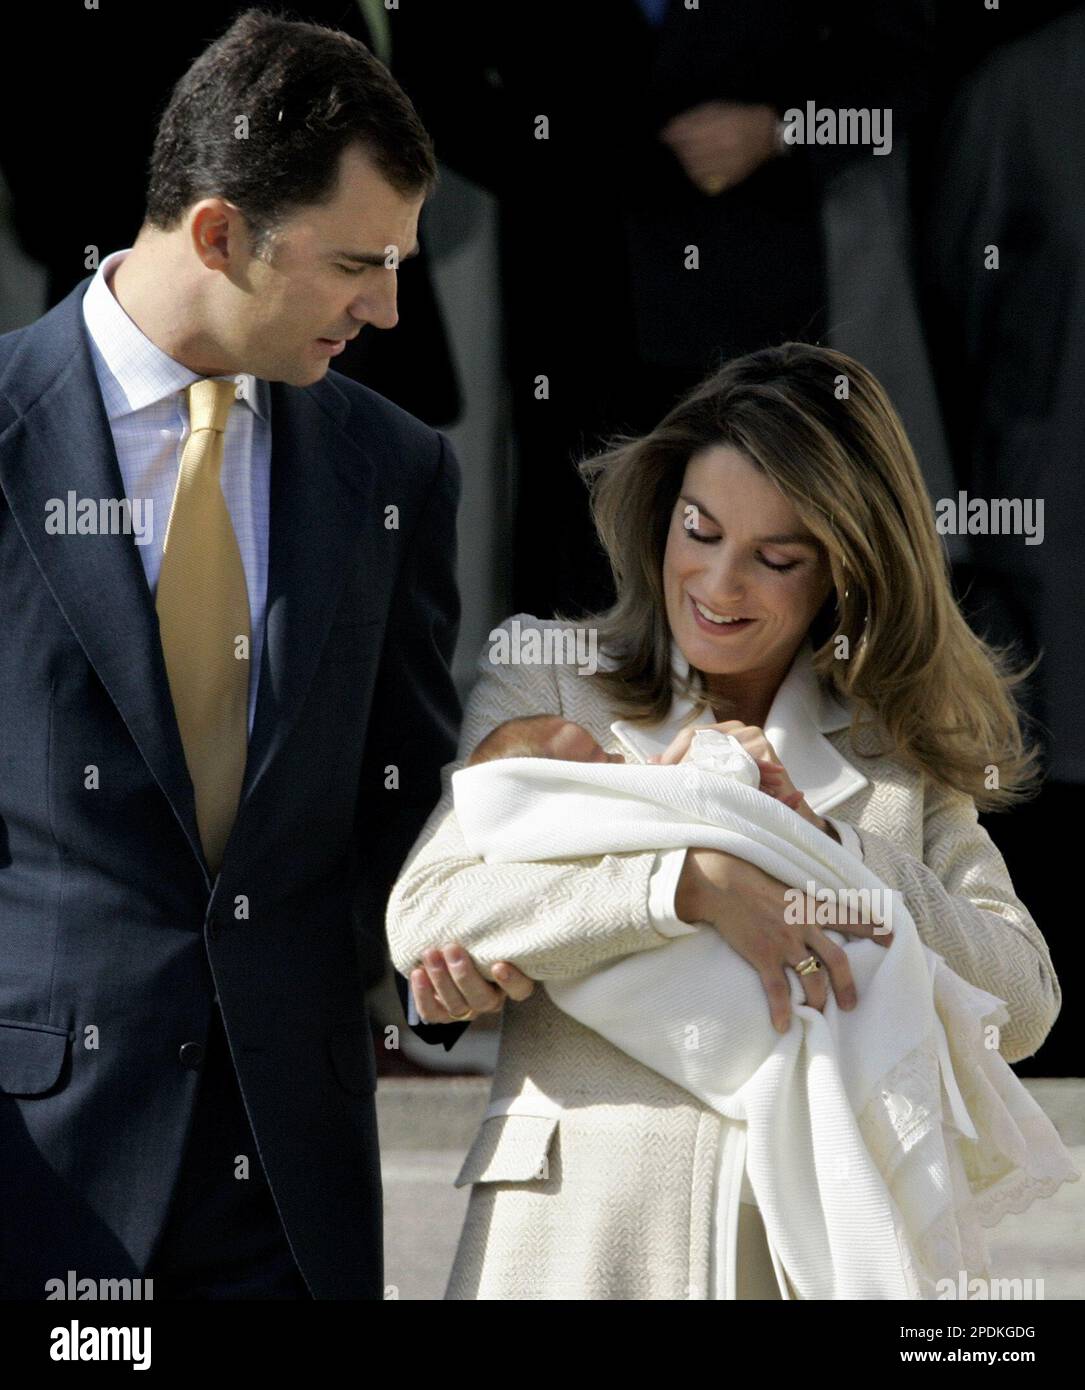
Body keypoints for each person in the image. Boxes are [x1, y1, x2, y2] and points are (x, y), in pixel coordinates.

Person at [0, 9, 528, 1301]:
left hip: (291, 1199)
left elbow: (396, 807)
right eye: (360, 262)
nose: (392, 309)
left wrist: (449, 946)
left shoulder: (397, 468)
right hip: (43, 1183)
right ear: (220, 231)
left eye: (401, 262)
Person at [387, 341, 1061, 1299]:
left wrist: (824, 849)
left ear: (844, 571)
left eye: (774, 558)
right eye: (698, 531)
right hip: (570, 1242)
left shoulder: (895, 757)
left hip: (797, 1262)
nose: (718, 584)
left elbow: (1024, 1002)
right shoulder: (546, 676)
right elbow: (429, 913)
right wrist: (685, 886)